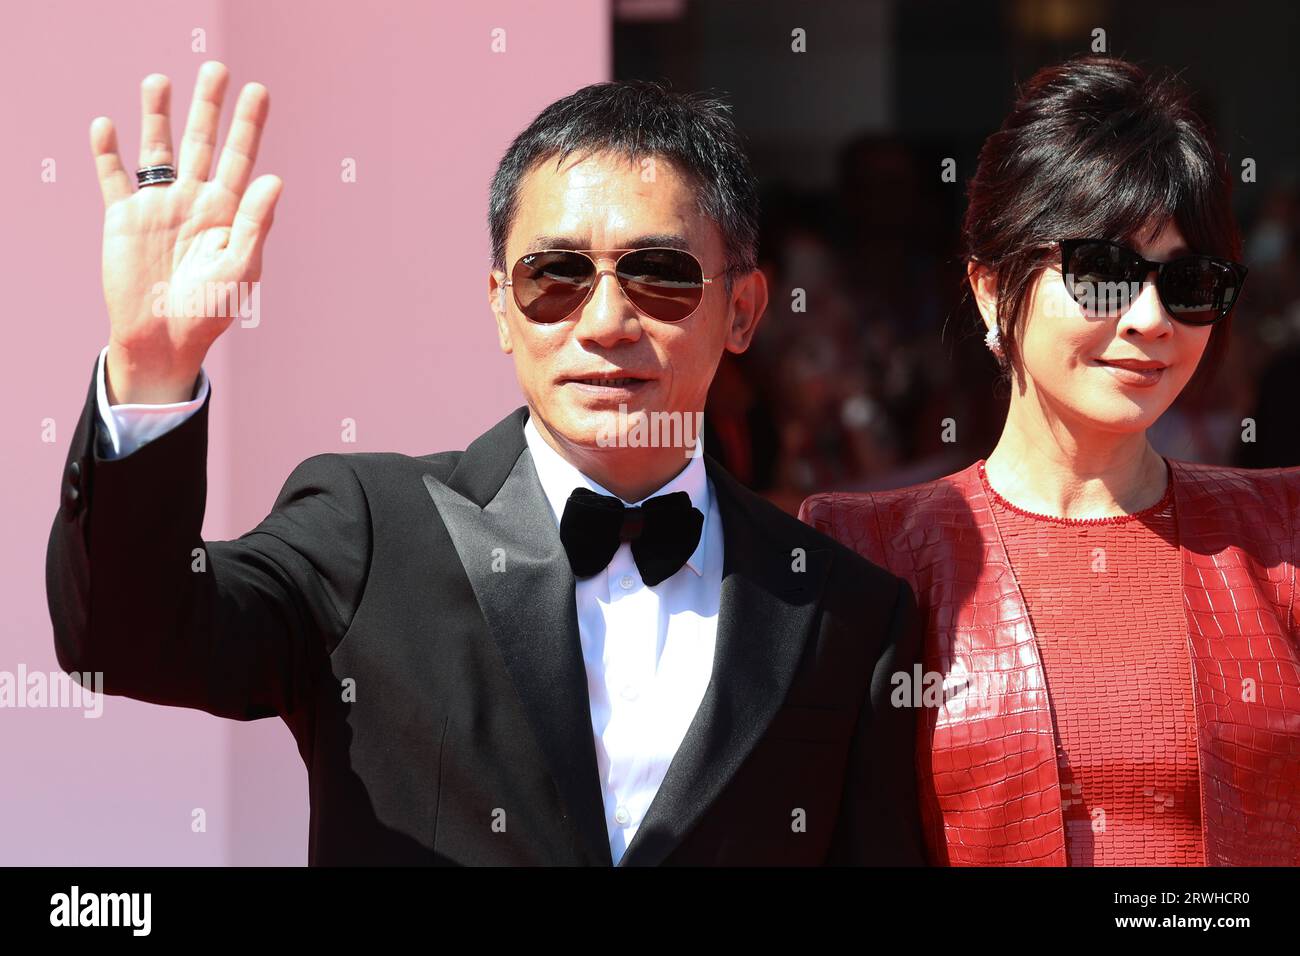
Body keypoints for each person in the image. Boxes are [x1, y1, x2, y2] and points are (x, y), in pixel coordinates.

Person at [46, 61, 924, 866]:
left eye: (658, 274)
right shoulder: (369, 530)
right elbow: (125, 641)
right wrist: (152, 372)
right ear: (502, 309)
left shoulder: (842, 609)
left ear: (742, 310)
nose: (605, 321)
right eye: (555, 276)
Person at [801, 55, 1300, 866]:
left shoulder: (1282, 538)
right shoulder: (870, 554)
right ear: (992, 288)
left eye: (1189, 282)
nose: (1150, 318)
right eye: (1103, 273)